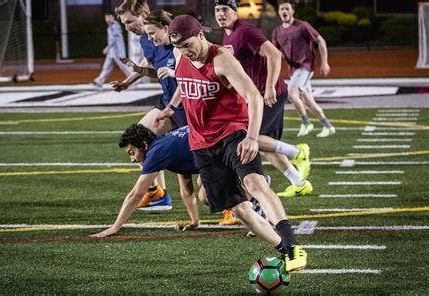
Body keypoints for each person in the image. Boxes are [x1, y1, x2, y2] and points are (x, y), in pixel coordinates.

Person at [157, 15, 307, 272]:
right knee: (240, 209)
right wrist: (170, 106)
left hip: (232, 133)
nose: (184, 52)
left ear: (201, 35)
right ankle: (284, 250)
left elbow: (253, 97)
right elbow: (183, 77)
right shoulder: (181, 53)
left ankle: (293, 247)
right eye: (179, 47)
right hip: (201, 143)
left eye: (188, 45)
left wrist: (251, 136)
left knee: (254, 183)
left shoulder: (222, 60)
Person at [214, 0, 313, 198]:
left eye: (225, 9)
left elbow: (275, 55)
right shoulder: (227, 35)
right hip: (256, 95)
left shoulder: (245, 31)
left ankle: (297, 152)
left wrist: (269, 87)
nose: (220, 14)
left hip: (270, 93)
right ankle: (299, 183)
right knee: (266, 145)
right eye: (217, 10)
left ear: (235, 11)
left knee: (250, 138)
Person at [113, 0, 188, 211]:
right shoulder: (148, 40)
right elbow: (150, 64)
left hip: (188, 103)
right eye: (124, 24)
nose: (127, 27)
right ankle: (156, 194)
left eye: (129, 21)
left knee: (201, 161)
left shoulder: (174, 39)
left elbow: (188, 70)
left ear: (144, 16)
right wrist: (126, 83)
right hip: (168, 101)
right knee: (137, 139)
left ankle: (243, 192)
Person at [90, 124, 208, 238]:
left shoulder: (156, 153)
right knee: (202, 182)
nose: (132, 159)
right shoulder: (165, 143)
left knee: (205, 195)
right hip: (215, 154)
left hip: (222, 153)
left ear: (144, 145)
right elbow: (186, 189)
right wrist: (195, 222)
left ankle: (227, 206)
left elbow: (135, 195)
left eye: (132, 153)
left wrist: (114, 227)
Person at [272, 0, 336, 138]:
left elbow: (321, 40)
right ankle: (328, 126)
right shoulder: (277, 32)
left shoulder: (302, 26)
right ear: (278, 12)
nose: (285, 11)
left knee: (291, 93)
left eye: (287, 9)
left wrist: (325, 62)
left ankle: (306, 123)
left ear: (292, 11)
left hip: (305, 67)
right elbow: (275, 53)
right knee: (308, 100)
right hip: (294, 70)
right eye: (282, 9)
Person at [92, 11, 131, 88]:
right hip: (112, 52)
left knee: (124, 67)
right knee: (106, 67)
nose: (108, 19)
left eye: (109, 17)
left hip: (118, 51)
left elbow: (114, 39)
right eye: (106, 17)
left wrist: (107, 48)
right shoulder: (110, 27)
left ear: (113, 17)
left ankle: (133, 79)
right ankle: (99, 81)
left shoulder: (115, 26)